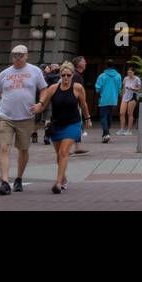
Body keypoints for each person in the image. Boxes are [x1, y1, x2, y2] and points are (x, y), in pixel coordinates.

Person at [0, 45, 47, 195]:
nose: (17, 58)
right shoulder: (4, 74)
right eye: (15, 55)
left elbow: (44, 89)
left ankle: (18, 178)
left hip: (26, 117)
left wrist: (41, 103)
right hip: (5, 116)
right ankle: (5, 182)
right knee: (4, 147)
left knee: (23, 149)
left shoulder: (35, 71)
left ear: (27, 55)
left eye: (20, 55)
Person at [31, 61, 90, 194]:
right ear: (60, 75)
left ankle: (57, 183)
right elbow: (43, 104)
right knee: (59, 155)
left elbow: (84, 104)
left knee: (64, 152)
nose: (66, 78)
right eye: (63, 75)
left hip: (73, 124)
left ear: (72, 75)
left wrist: (87, 118)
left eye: (68, 75)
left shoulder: (78, 88)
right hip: (57, 125)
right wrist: (35, 108)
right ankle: (63, 179)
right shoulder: (53, 88)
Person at [93, 62, 122, 142]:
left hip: (104, 99)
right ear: (113, 67)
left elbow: (97, 89)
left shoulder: (102, 76)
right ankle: (105, 135)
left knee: (103, 117)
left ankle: (106, 133)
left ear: (106, 67)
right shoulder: (118, 76)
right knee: (109, 117)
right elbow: (120, 88)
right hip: (113, 99)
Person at [70, 56, 90, 156]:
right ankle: (69, 148)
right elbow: (77, 92)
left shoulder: (77, 75)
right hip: (74, 105)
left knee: (77, 125)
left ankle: (77, 147)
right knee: (74, 125)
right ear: (79, 64)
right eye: (84, 61)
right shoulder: (76, 76)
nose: (85, 63)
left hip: (74, 104)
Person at [119, 66, 142, 135]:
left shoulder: (137, 79)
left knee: (129, 113)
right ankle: (122, 129)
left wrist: (132, 88)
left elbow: (139, 89)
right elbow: (123, 88)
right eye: (128, 72)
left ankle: (129, 130)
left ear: (133, 72)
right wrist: (122, 96)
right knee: (122, 113)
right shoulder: (125, 79)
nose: (129, 73)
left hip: (133, 96)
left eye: (130, 72)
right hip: (125, 97)